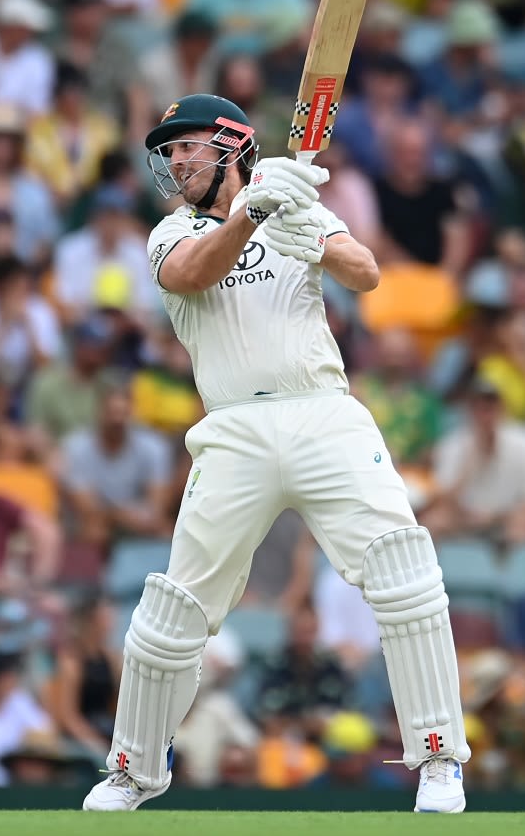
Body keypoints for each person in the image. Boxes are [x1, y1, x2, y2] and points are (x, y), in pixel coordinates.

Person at [80, 94, 468, 813]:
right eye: (169, 151)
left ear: (232, 147)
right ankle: (132, 771)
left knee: (404, 570)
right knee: (175, 608)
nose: (176, 161)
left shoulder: (293, 203)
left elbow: (366, 272)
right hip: (233, 429)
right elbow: (193, 274)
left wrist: (309, 233)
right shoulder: (171, 232)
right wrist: (249, 215)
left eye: (189, 146)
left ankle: (439, 758)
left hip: (322, 410)